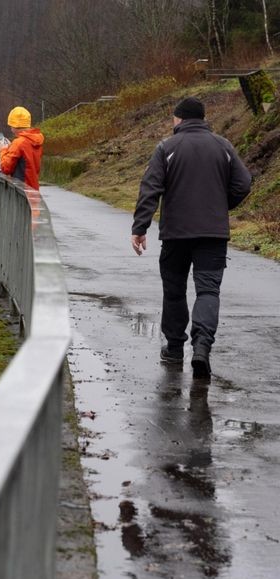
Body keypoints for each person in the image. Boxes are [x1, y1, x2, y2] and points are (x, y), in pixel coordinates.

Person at [132, 96, 252, 378]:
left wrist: (140, 227)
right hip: (213, 234)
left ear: (179, 119)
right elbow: (243, 183)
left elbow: (150, 188)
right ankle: (202, 346)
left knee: (174, 289)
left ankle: (174, 348)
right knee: (208, 290)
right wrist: (222, 207)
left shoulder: (167, 147)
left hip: (176, 234)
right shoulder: (223, 146)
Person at [0, 106, 44, 189]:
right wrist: (11, 148)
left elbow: (5, 168)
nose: (11, 129)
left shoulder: (19, 143)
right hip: (33, 188)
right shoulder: (36, 140)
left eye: (11, 126)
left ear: (14, 126)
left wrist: (3, 149)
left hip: (21, 189)